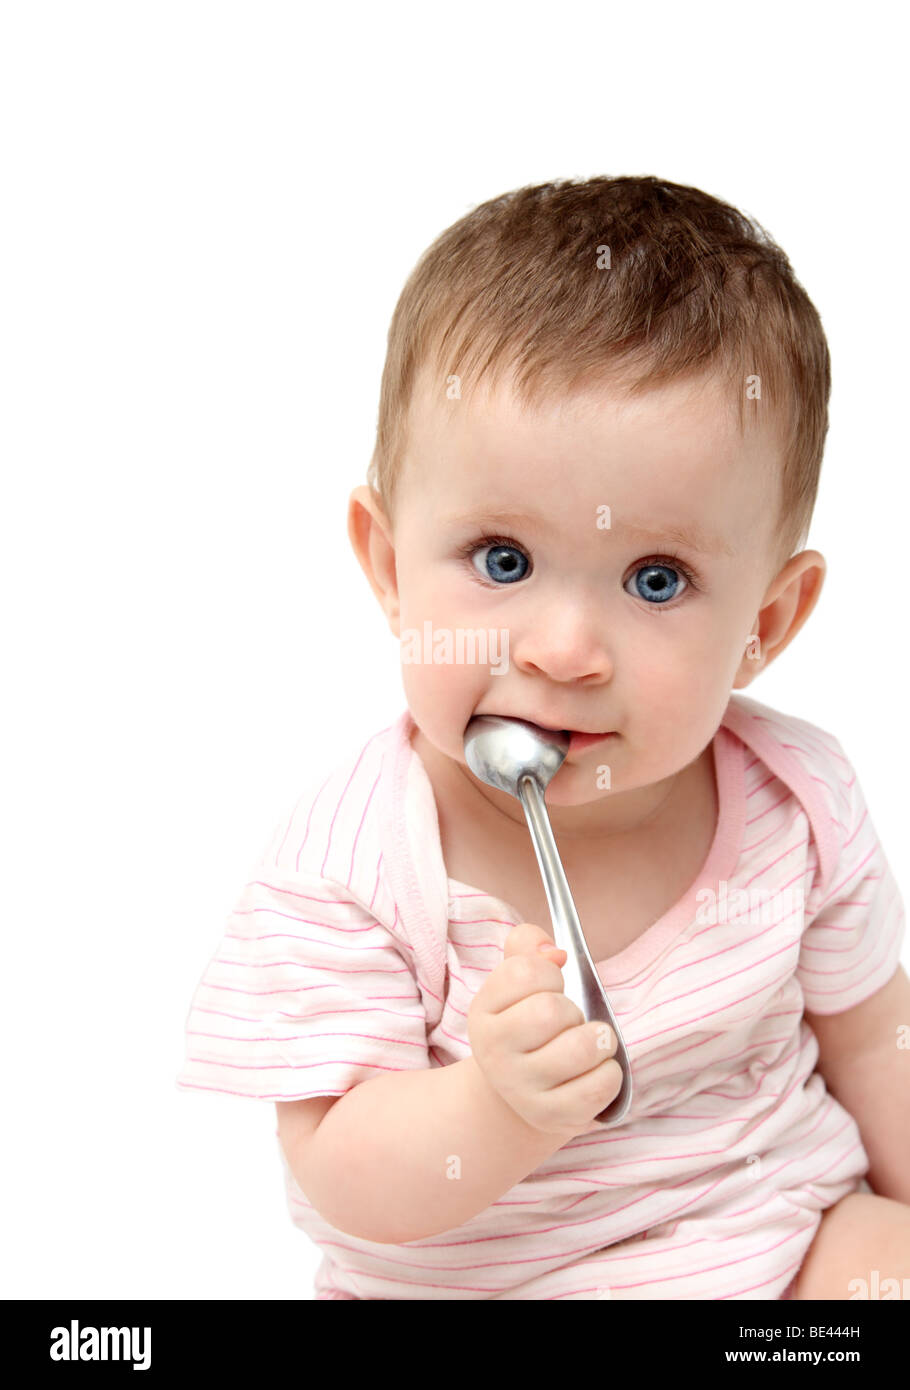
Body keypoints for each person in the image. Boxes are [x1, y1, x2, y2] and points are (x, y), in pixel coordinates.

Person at [176, 175, 910, 1299]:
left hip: (780, 1246)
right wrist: (494, 1107)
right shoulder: (356, 863)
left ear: (764, 623)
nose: (565, 647)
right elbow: (337, 1173)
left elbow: (871, 1041)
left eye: (655, 580)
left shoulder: (792, 795)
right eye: (503, 561)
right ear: (387, 564)